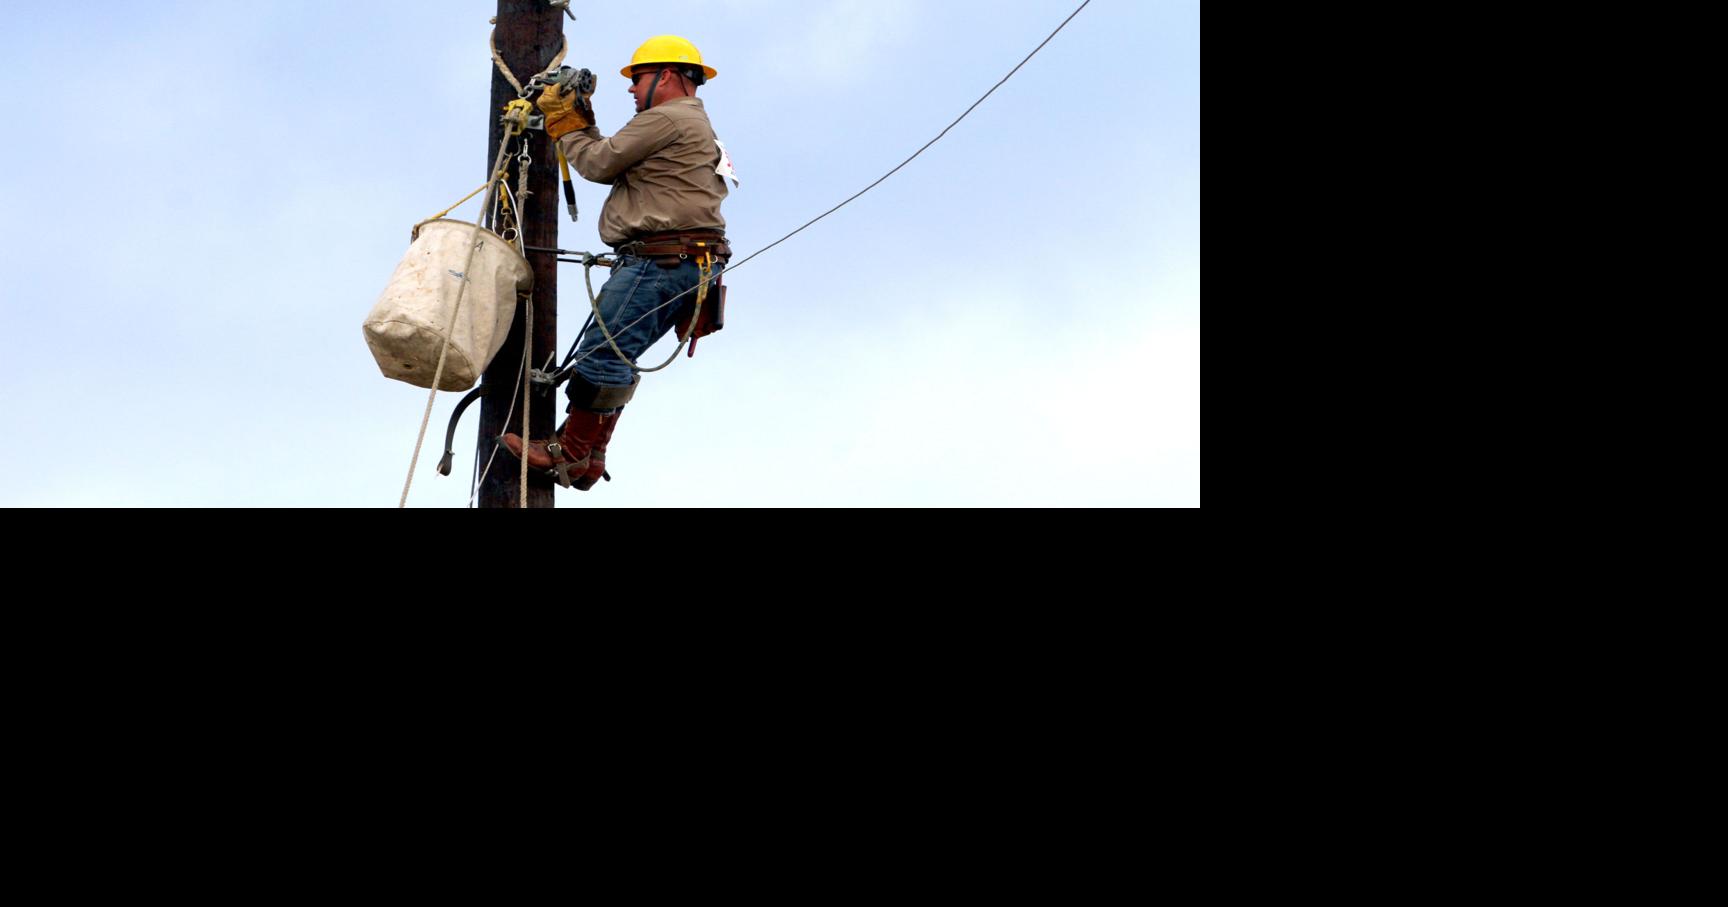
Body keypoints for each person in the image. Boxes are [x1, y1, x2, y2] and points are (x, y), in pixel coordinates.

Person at [503, 35, 733, 490]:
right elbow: (614, 155)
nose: (630, 89)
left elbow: (599, 162)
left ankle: (566, 453)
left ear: (667, 76)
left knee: (602, 354)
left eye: (638, 78)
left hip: (659, 260)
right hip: (690, 263)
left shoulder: (665, 118)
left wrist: (565, 121)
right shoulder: (693, 123)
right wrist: (578, 119)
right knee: (616, 357)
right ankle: (589, 456)